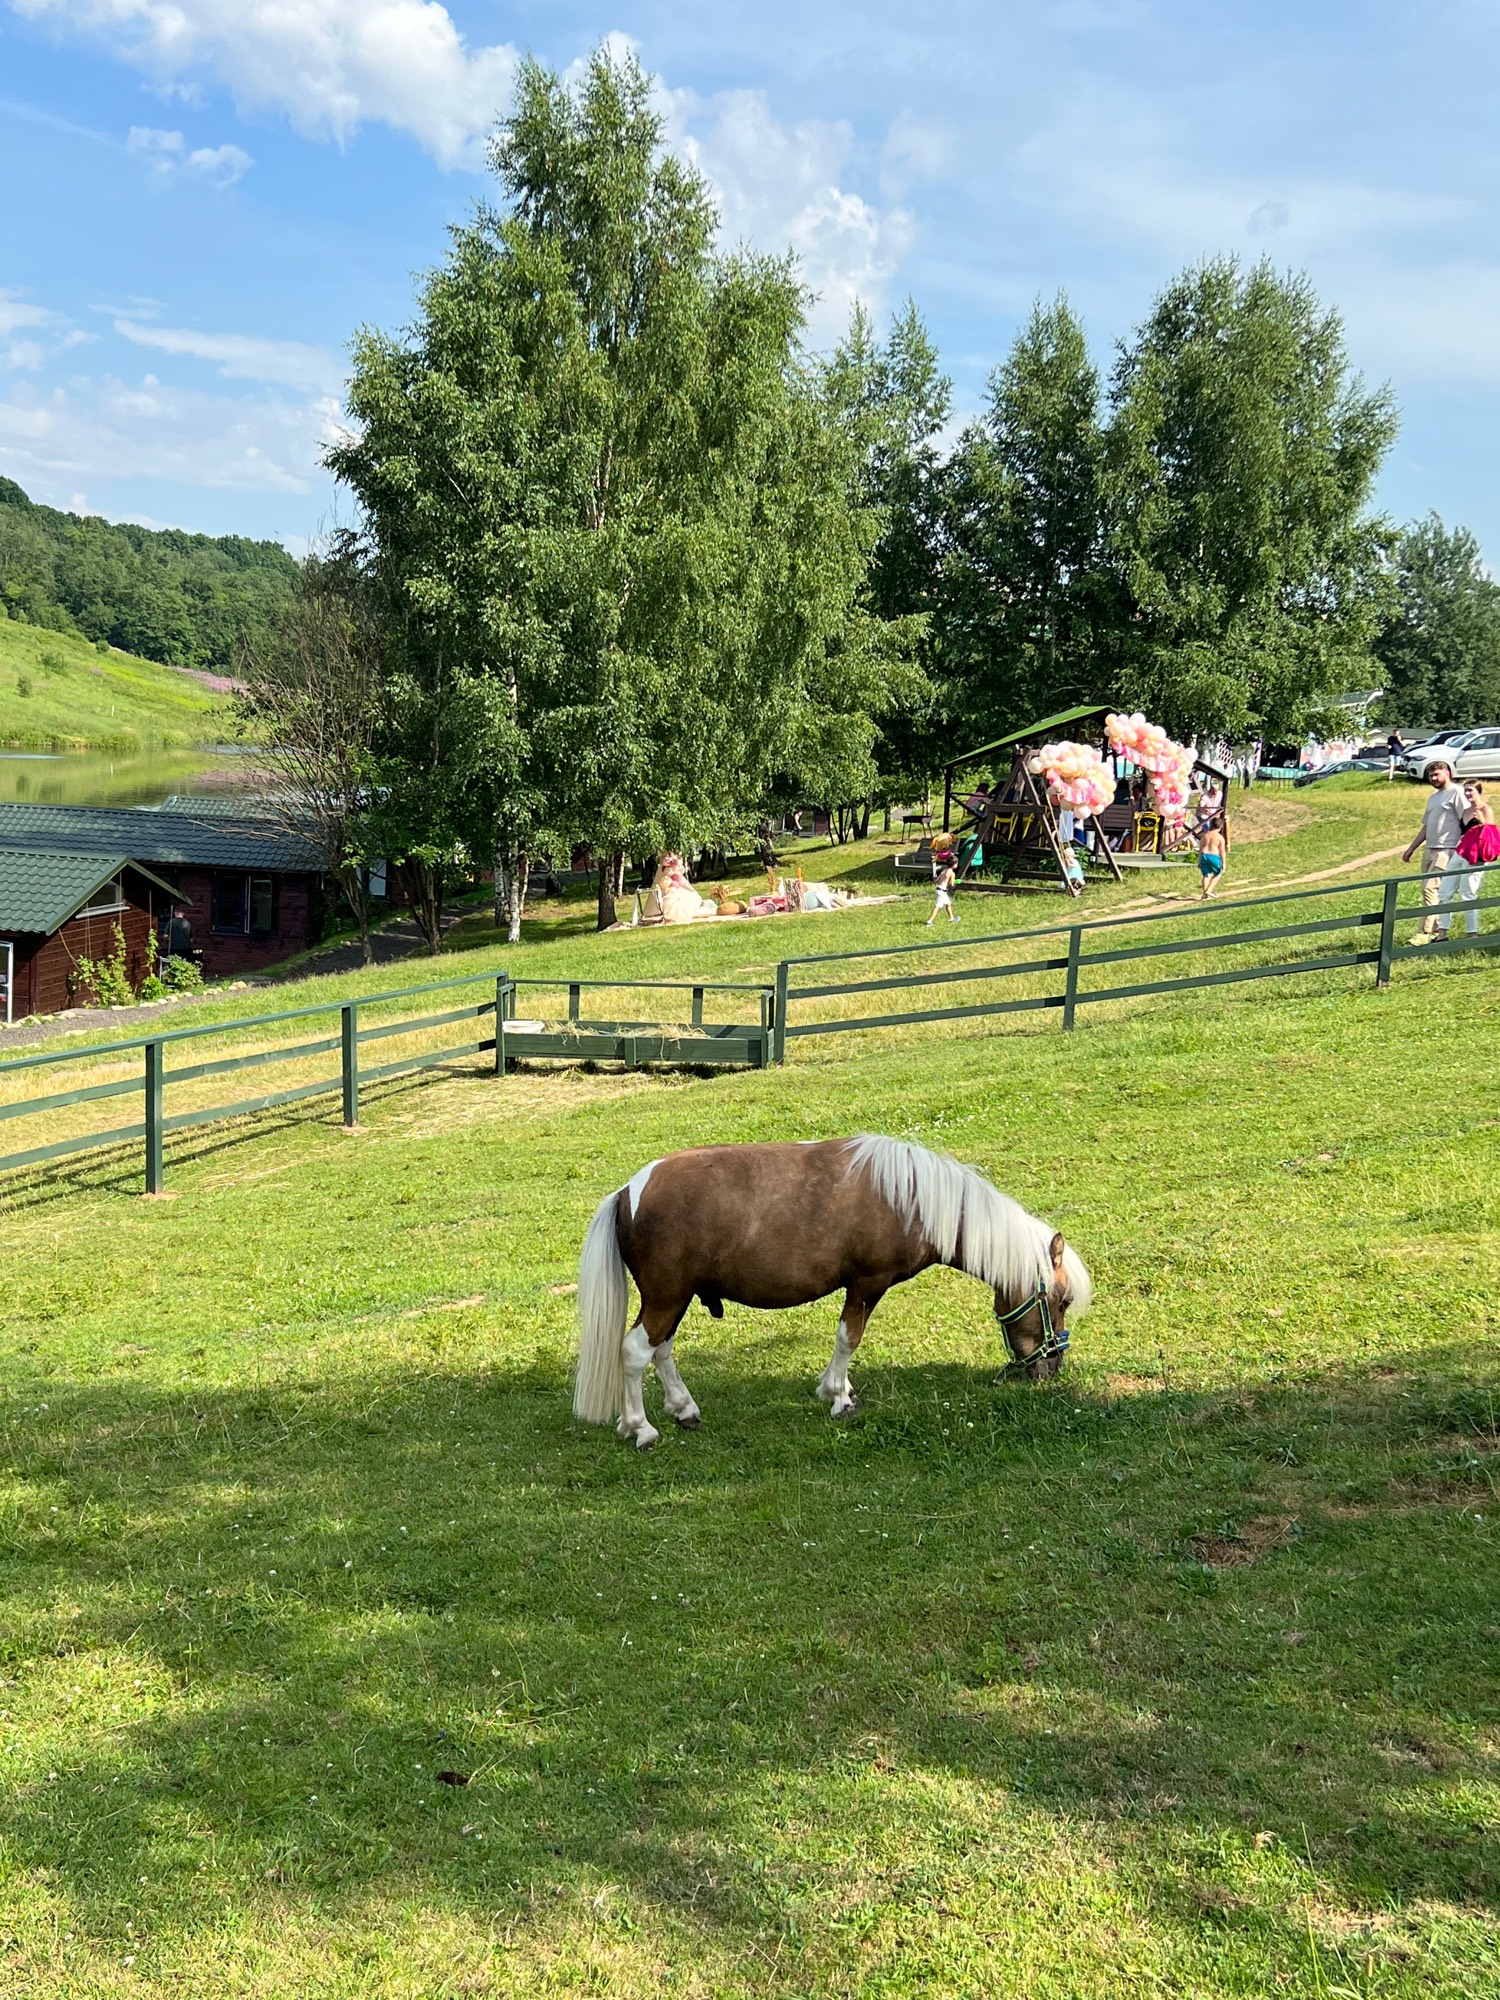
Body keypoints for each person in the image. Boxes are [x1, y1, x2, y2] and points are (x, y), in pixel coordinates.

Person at [1403, 760, 1467, 942]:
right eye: (1430, 775)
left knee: (1431, 889)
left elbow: (1467, 820)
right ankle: (1439, 931)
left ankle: (1425, 932)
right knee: (1429, 891)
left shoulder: (1457, 792)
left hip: (1447, 849)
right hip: (1430, 848)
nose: (1433, 778)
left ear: (1447, 773)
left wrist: (1461, 847)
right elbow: (1426, 826)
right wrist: (1412, 848)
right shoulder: (1433, 797)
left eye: (1436, 774)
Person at [1436, 782, 1500, 939]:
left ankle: (1472, 934)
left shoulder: (1485, 809)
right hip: (1461, 850)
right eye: (1465, 791)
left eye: (1470, 791)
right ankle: (1442, 933)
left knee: (1468, 893)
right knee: (1445, 891)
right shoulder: (1465, 810)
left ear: (1478, 791)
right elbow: (1462, 833)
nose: (1468, 794)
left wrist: (1482, 821)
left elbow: (1491, 835)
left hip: (1476, 853)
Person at [1196, 817, 1227, 897]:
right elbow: (1222, 851)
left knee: (1206, 875)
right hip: (1214, 856)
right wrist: (1224, 863)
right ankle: (1209, 890)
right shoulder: (1220, 837)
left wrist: (1199, 861)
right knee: (1218, 873)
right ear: (1221, 826)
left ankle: (1204, 895)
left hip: (1204, 855)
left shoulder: (1205, 835)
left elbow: (1200, 849)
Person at [926, 858, 959, 926]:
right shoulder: (952, 873)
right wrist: (956, 881)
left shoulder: (944, 870)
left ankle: (952, 918)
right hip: (942, 891)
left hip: (938, 888)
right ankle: (929, 921)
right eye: (956, 863)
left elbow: (938, 880)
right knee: (938, 906)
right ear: (954, 864)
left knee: (948, 903)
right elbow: (952, 885)